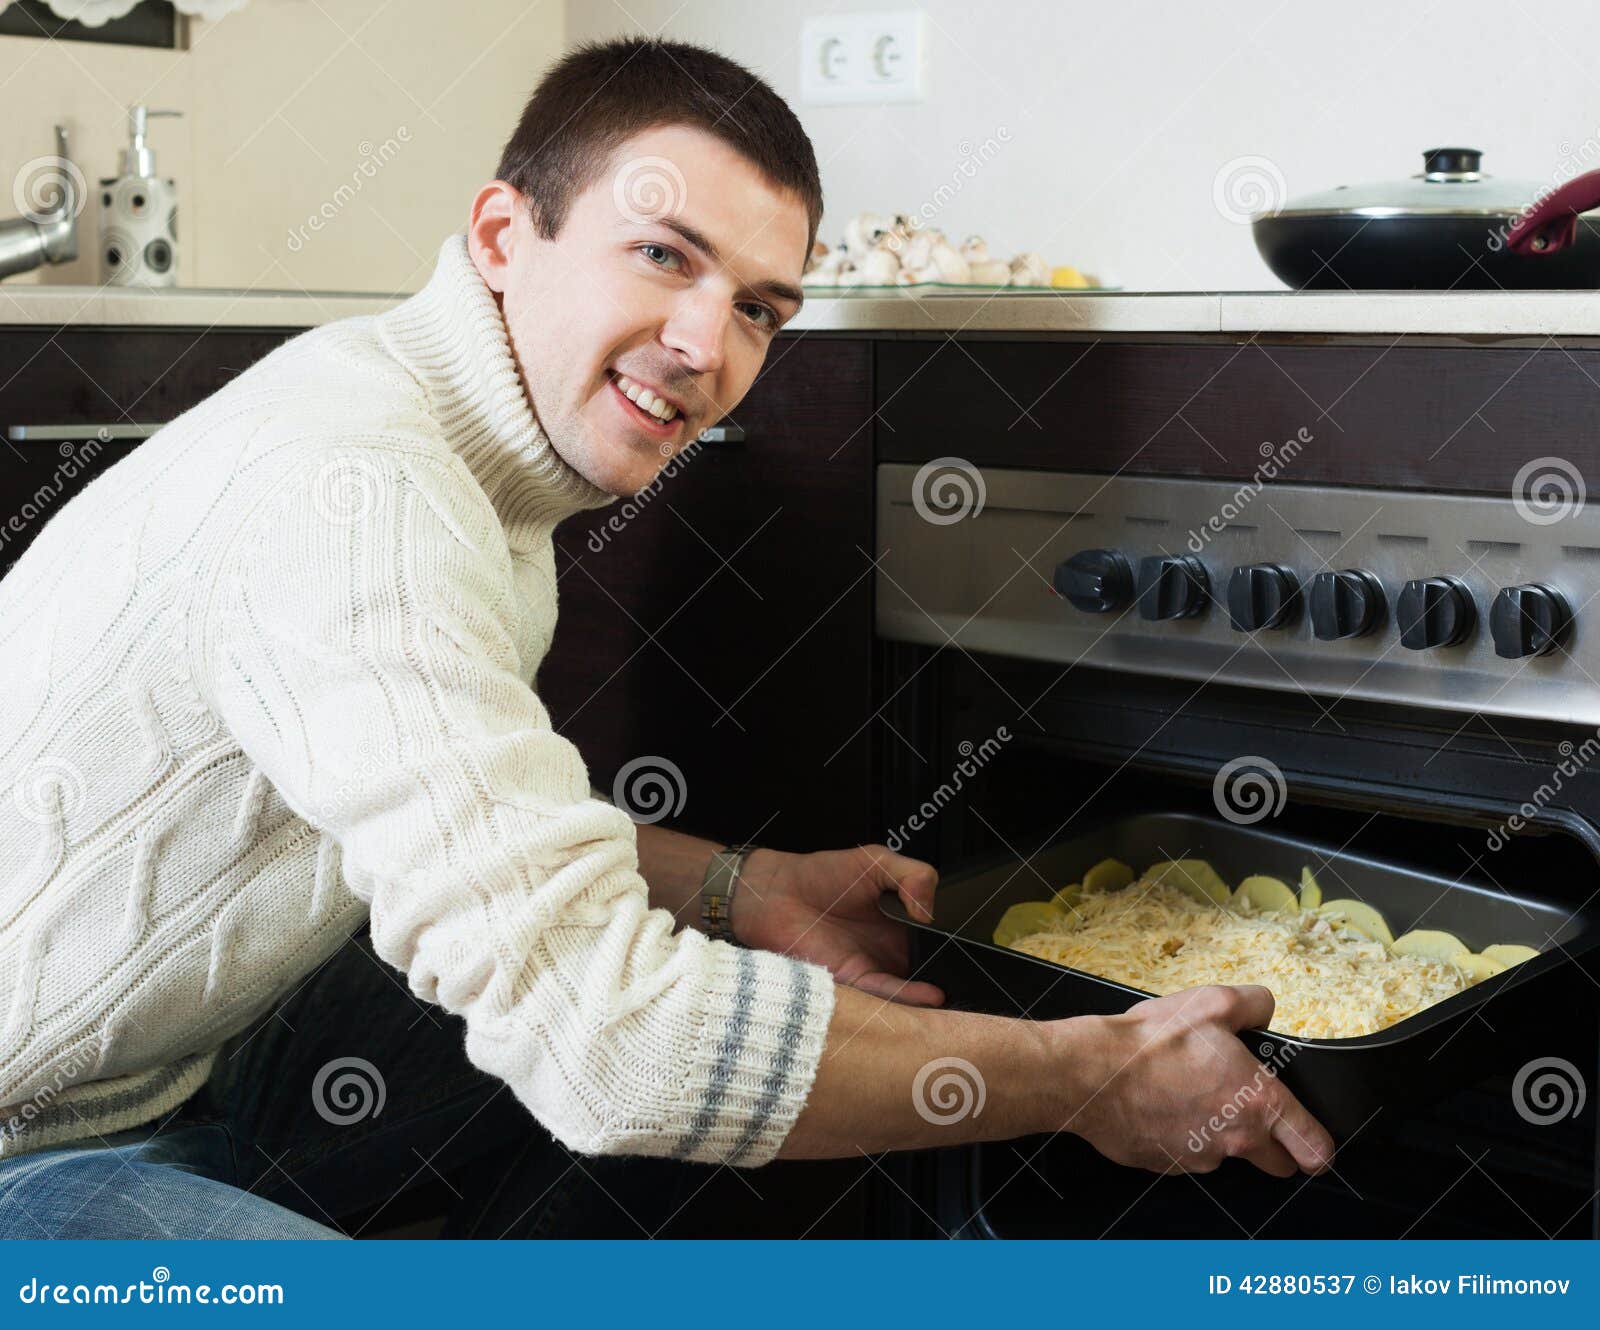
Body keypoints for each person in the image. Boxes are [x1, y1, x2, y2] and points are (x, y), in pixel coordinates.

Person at [0, 37, 1332, 1240]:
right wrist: (1087, 1075)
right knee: (624, 1042)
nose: (708, 342)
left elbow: (465, 820)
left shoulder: (454, 455)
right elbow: (612, 1042)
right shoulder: (360, 494)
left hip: (190, 1052)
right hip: (28, 1139)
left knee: (697, 1060)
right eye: (663, 255)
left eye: (759, 305)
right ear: (504, 235)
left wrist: (739, 888)